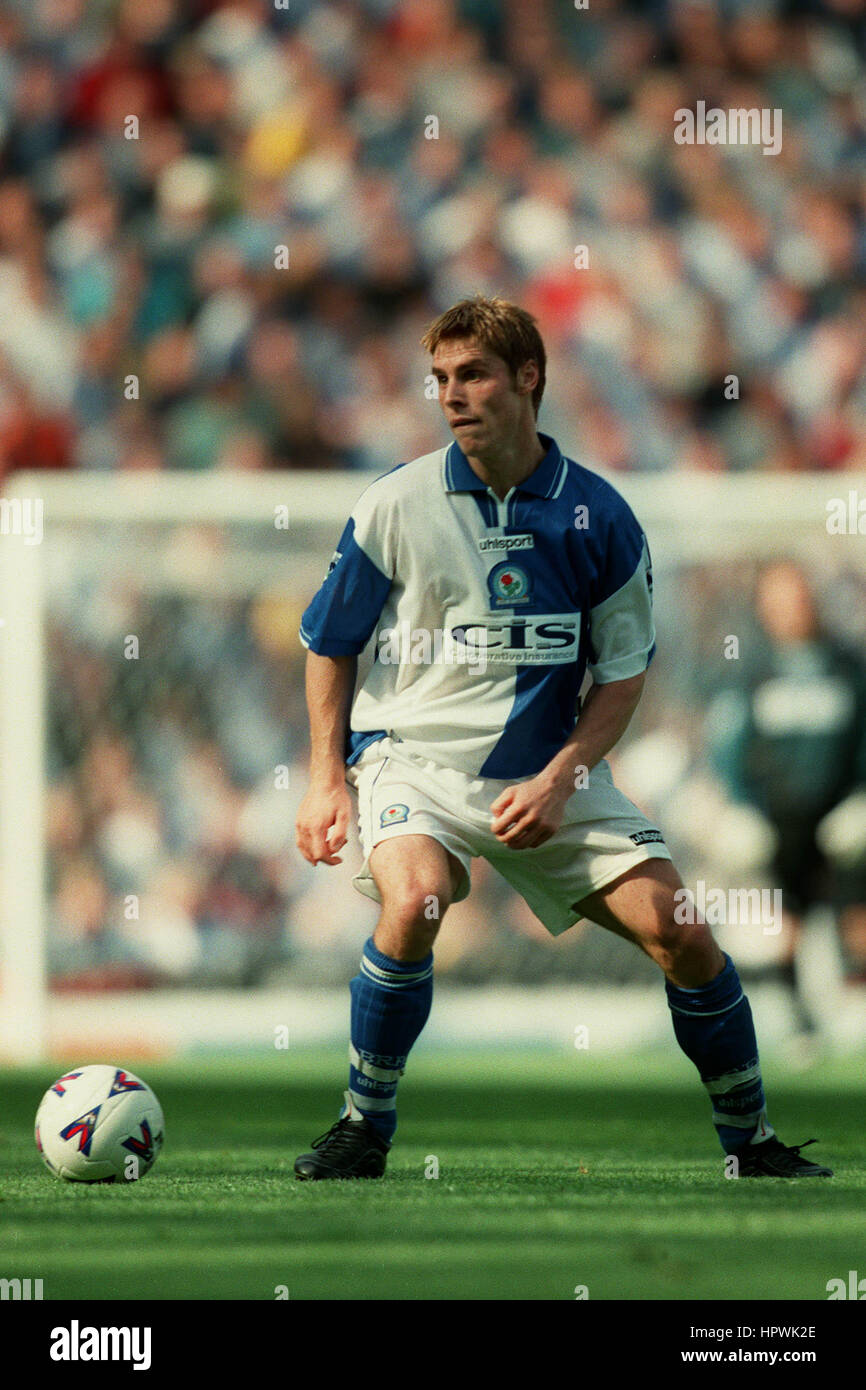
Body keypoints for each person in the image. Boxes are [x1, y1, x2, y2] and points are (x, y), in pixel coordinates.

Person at [293, 295, 832, 1180]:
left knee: (683, 930)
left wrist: (562, 775)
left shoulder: (600, 516)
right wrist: (325, 778)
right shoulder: (395, 503)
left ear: (529, 379)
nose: (452, 397)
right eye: (440, 380)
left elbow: (623, 674)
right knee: (416, 899)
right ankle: (362, 1128)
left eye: (473, 376)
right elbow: (329, 641)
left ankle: (753, 1145)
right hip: (413, 764)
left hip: (552, 775)